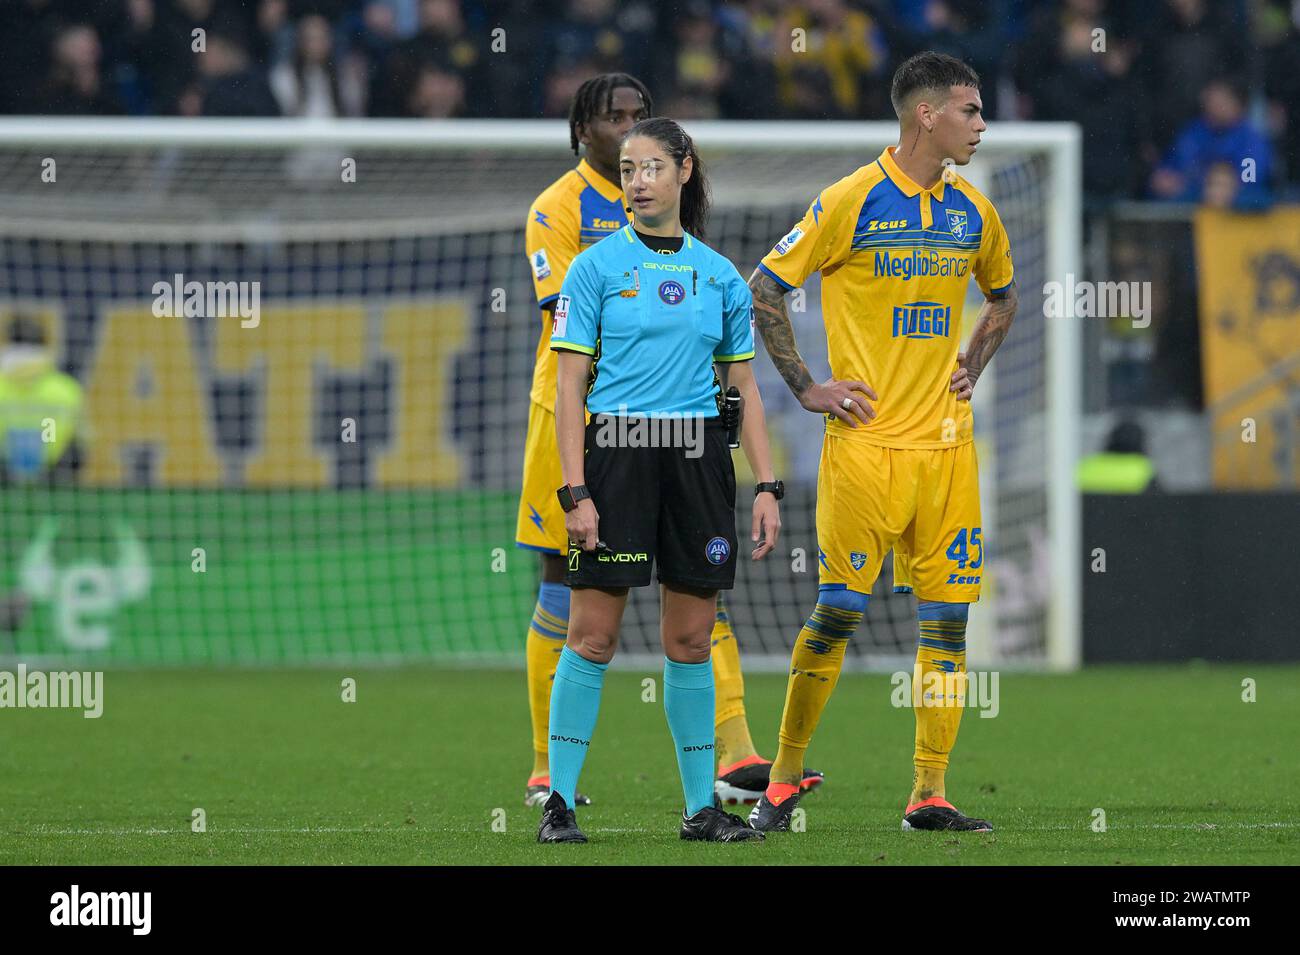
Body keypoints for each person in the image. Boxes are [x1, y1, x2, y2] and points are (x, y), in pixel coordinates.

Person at [517, 74, 821, 809]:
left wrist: (768, 484)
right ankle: (551, 786)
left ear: (684, 171)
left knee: (693, 629)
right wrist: (576, 486)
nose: (635, 171)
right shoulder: (579, 243)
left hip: (693, 457)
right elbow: (571, 376)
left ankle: (710, 792)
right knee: (584, 621)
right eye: (627, 163)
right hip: (606, 443)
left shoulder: (717, 275)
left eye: (649, 159)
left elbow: (742, 388)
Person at [745, 51, 1017, 833]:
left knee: (947, 626)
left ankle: (928, 792)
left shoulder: (973, 210)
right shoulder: (850, 199)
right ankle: (784, 777)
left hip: (948, 453)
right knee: (835, 612)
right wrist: (807, 388)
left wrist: (972, 362)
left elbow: (1002, 297)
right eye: (968, 109)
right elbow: (765, 288)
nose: (980, 124)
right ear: (925, 115)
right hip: (864, 448)